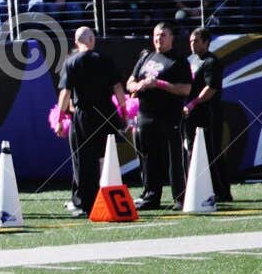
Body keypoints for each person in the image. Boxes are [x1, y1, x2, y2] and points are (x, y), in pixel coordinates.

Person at [57, 26, 127, 217]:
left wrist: (60, 118)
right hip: (106, 114)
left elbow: (65, 93)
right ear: (91, 40)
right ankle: (110, 199)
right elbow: (118, 88)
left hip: (84, 115)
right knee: (106, 158)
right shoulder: (105, 60)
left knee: (84, 159)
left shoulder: (71, 62)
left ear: (76, 41)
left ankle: (85, 204)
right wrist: (124, 112)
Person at [127, 21, 191, 211]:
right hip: (145, 116)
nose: (158, 39)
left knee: (174, 159)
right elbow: (130, 80)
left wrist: (159, 84)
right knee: (148, 158)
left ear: (171, 37)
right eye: (156, 35)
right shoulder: (147, 57)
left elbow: (186, 88)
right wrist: (136, 86)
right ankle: (151, 196)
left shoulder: (178, 61)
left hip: (169, 117)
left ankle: (180, 198)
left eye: (163, 35)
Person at [182, 26, 230, 203]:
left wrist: (193, 103)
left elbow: (211, 88)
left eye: (196, 41)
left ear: (206, 42)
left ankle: (222, 191)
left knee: (212, 152)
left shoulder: (211, 61)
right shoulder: (194, 61)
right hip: (195, 114)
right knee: (196, 151)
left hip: (208, 112)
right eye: (191, 42)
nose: (192, 45)